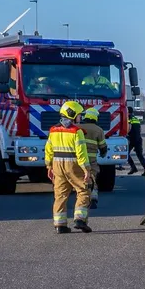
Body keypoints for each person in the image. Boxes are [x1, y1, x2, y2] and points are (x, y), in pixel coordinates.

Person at [44, 100, 93, 233]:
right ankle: (80, 219)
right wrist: (86, 170)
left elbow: (48, 149)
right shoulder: (77, 132)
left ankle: (60, 225)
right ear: (71, 115)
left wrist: (49, 166)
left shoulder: (53, 130)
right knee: (84, 190)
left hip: (57, 165)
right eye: (78, 114)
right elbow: (81, 153)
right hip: (73, 165)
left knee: (60, 195)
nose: (80, 117)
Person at [79, 107, 108, 209]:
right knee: (92, 179)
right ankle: (93, 199)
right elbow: (103, 147)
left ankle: (80, 200)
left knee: (78, 180)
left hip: (78, 159)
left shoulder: (77, 128)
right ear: (96, 117)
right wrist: (103, 154)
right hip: (91, 160)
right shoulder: (98, 130)